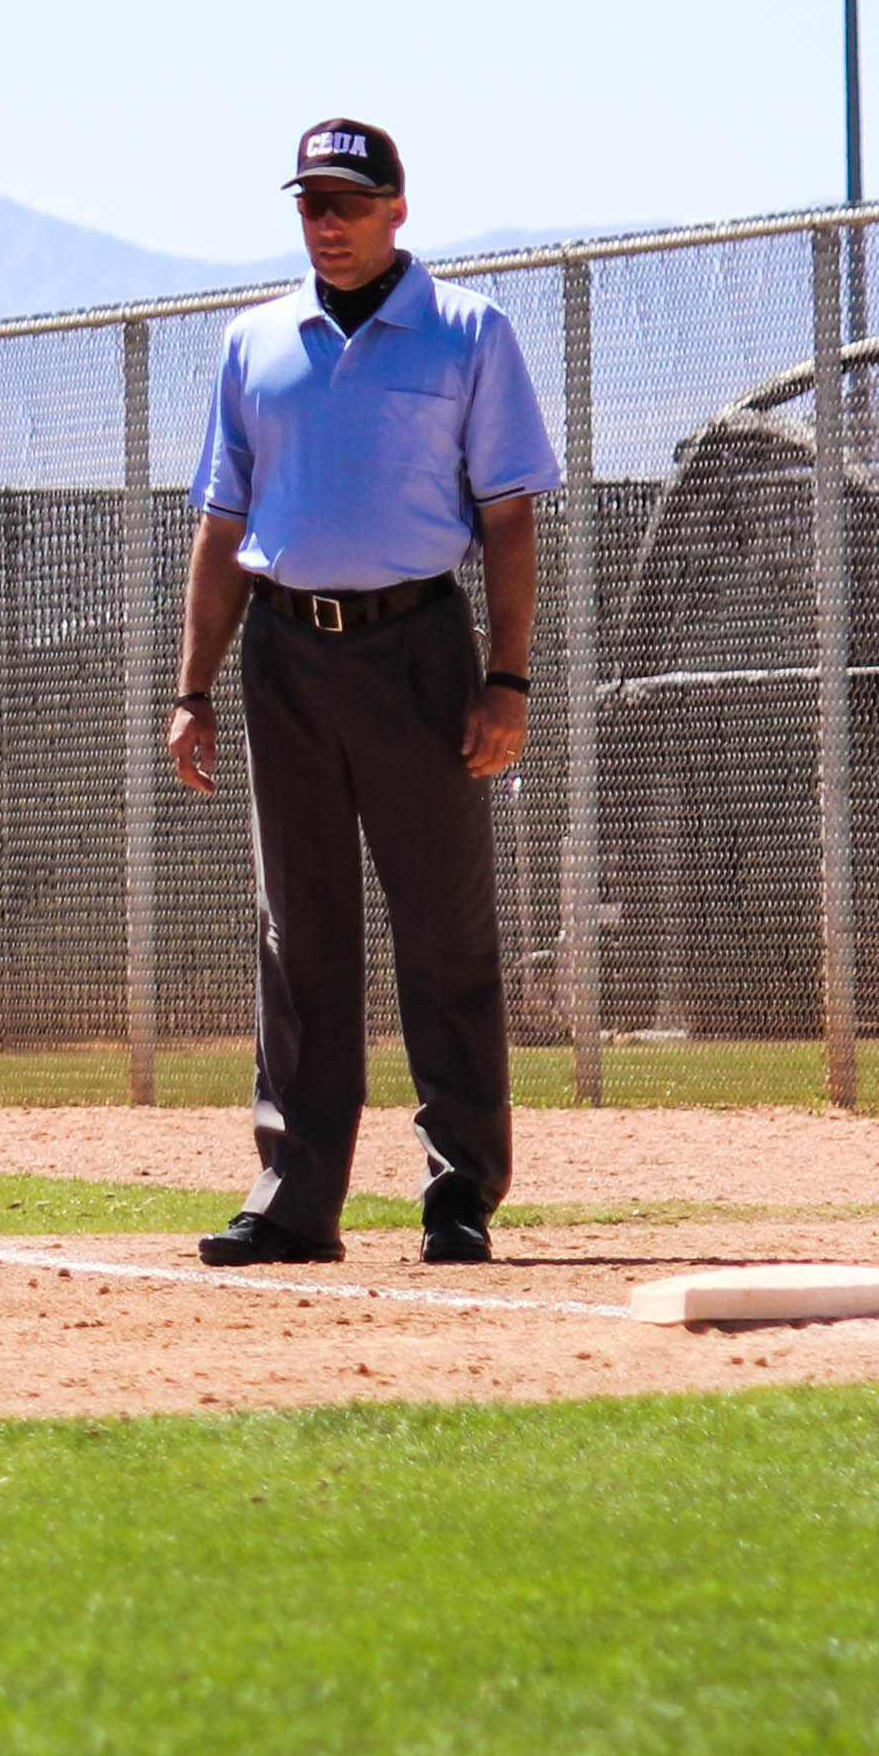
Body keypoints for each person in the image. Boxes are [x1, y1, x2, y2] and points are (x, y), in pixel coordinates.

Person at [164, 117, 562, 1267]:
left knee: (444, 930)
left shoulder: (464, 332)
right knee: (300, 934)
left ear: (398, 207)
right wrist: (192, 690)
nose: (325, 223)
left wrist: (505, 677)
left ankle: (459, 1195)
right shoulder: (254, 343)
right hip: (286, 653)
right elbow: (223, 523)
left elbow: (509, 517)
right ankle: (297, 1197)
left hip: (419, 649)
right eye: (309, 204)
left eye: (346, 201)